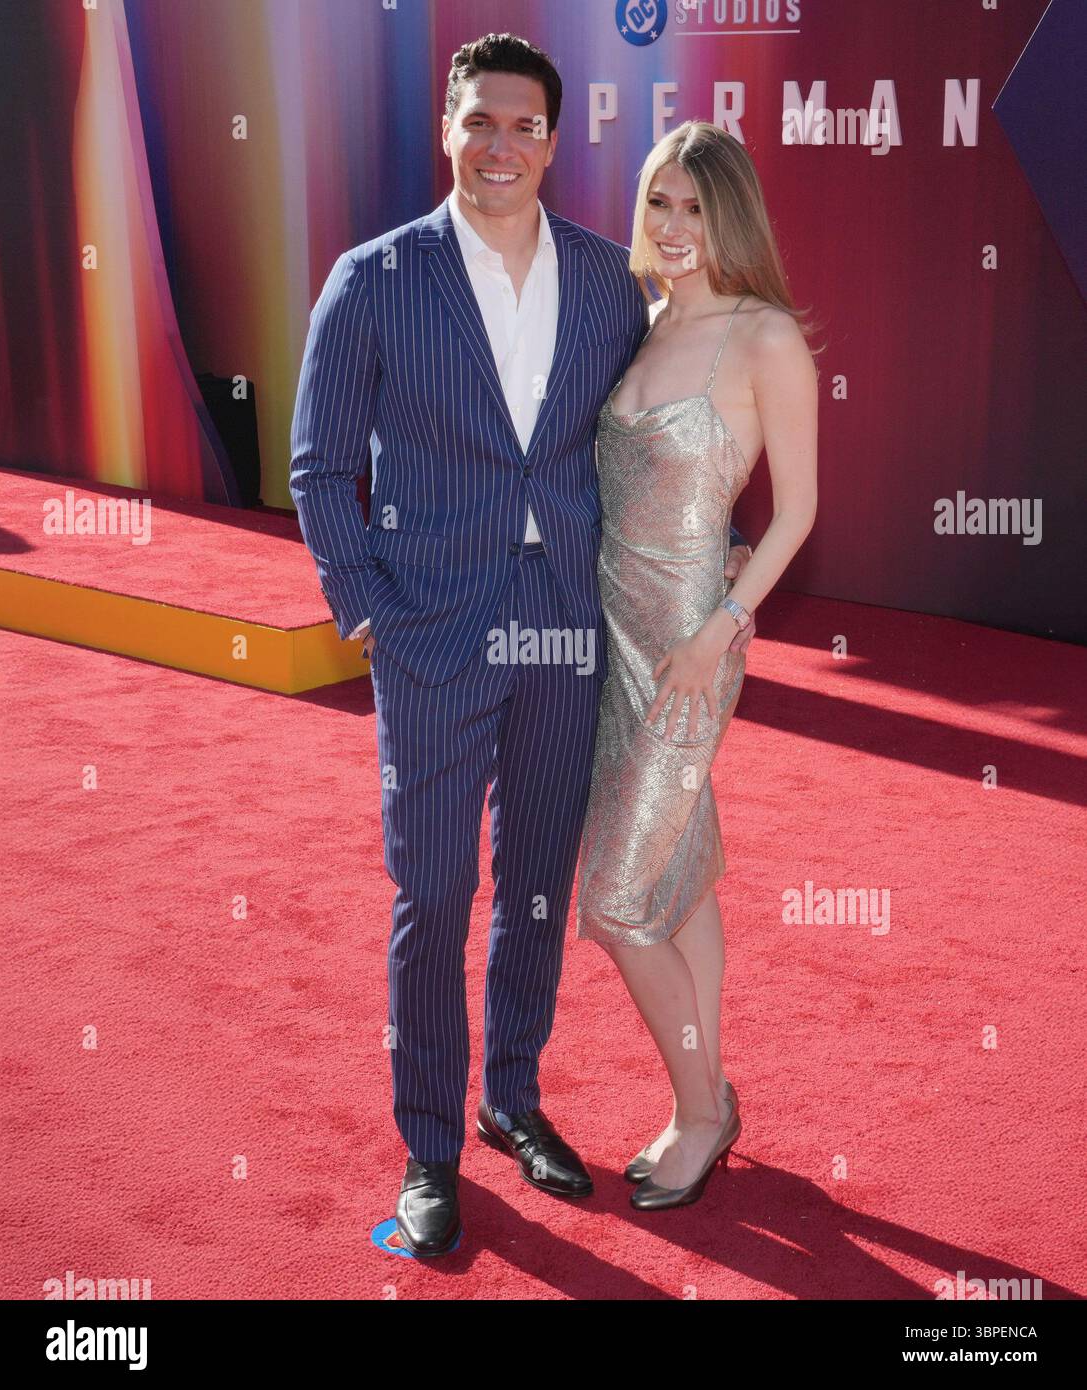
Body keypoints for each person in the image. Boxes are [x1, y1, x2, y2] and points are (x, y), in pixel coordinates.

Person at [289, 36, 753, 1257]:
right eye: (481, 122)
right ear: (448, 128)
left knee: (538, 885)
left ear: (555, 140)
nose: (502, 147)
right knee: (433, 893)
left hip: (567, 631)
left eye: (526, 127)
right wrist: (373, 609)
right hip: (431, 635)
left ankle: (512, 1097)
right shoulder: (375, 279)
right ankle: (429, 1145)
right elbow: (318, 468)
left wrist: (722, 554)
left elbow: (665, 430)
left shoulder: (609, 281)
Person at [576, 121, 819, 1210]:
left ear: (731, 216)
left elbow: (799, 510)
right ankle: (708, 1089)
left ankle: (699, 1108)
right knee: (675, 874)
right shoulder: (645, 322)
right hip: (604, 636)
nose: (671, 228)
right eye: (656, 204)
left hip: (683, 647)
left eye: (691, 208)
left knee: (616, 899)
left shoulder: (762, 337)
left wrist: (721, 623)